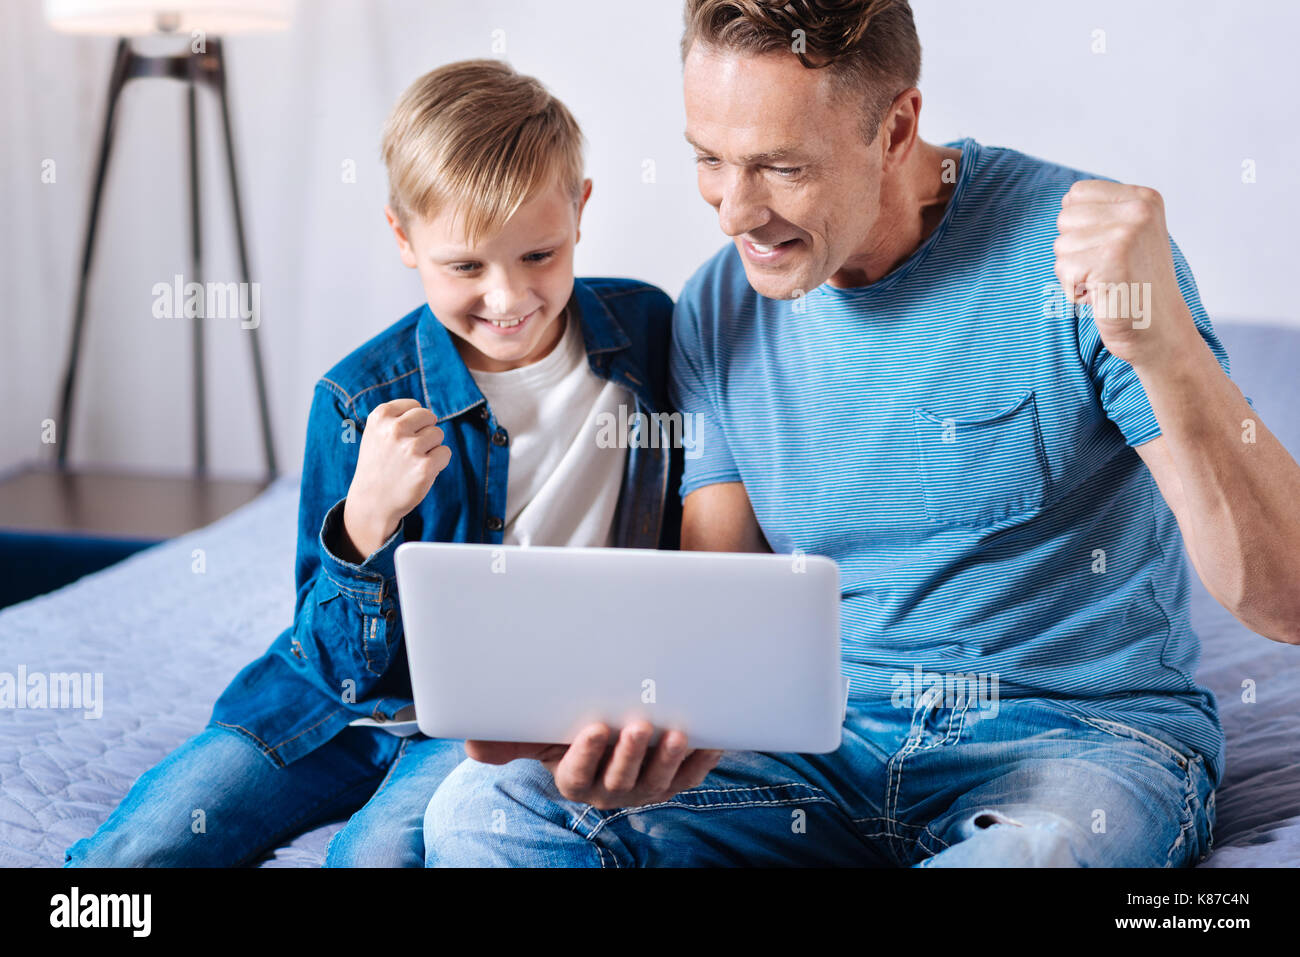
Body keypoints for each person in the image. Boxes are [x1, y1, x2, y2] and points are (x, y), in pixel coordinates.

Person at [423, 0, 1300, 867]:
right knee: (483, 809)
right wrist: (652, 732)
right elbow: (715, 603)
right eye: (710, 161)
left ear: (895, 126)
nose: (734, 213)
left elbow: (1283, 602)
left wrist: (1167, 350)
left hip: (1078, 743)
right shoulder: (716, 306)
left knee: (1032, 858)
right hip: (824, 749)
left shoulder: (1085, 253)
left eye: (779, 167)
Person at [65, 58, 683, 868]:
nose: (508, 297)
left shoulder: (647, 337)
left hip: (486, 717)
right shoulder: (359, 398)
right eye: (465, 266)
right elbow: (328, 655)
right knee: (135, 851)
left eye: (539, 254)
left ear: (580, 210)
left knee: (371, 857)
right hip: (327, 704)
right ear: (403, 237)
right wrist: (364, 522)